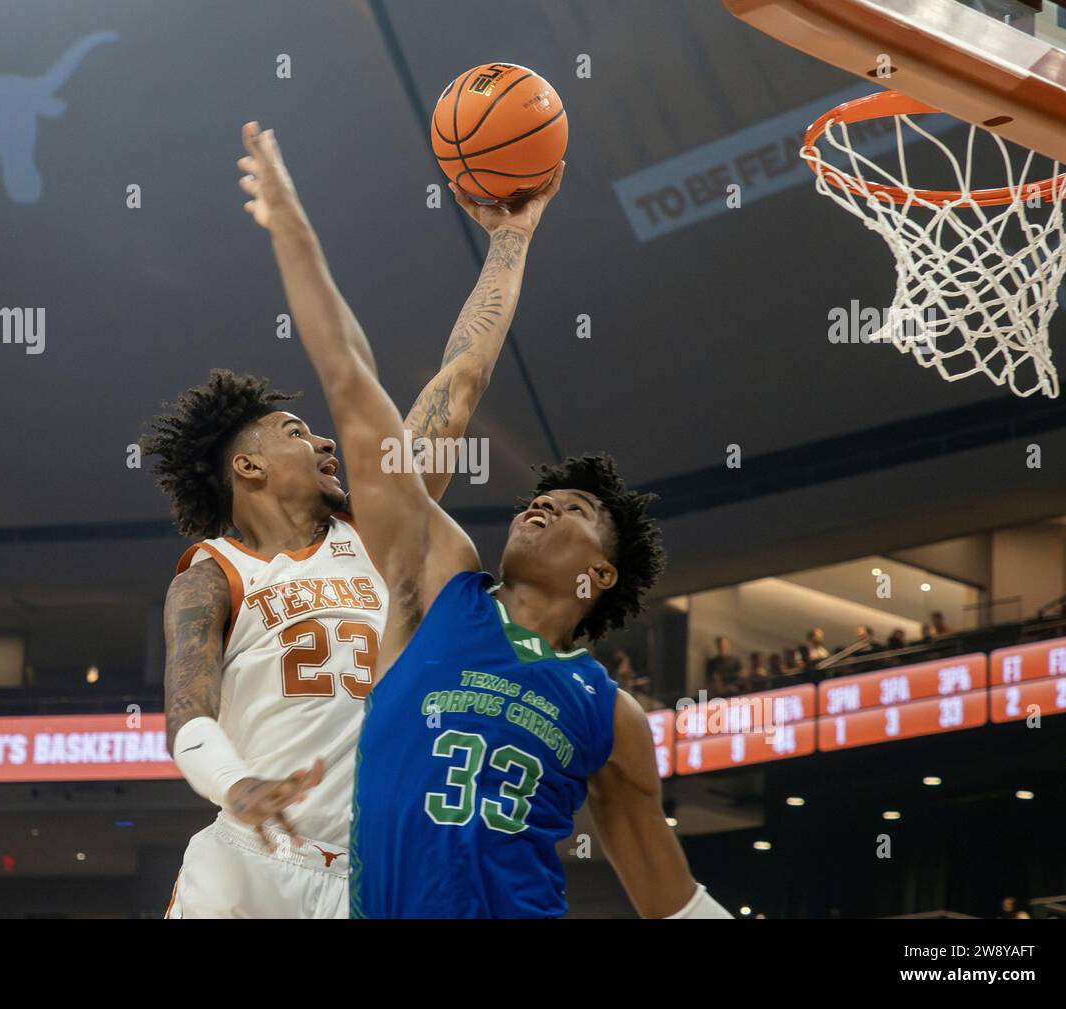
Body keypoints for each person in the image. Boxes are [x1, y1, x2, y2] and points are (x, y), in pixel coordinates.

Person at [238, 121, 730, 919]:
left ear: (598, 574)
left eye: (571, 509)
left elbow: (668, 895)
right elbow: (381, 380)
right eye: (541, 498)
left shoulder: (606, 711)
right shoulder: (436, 584)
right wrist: (301, 240)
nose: (540, 503)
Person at [147, 125, 565, 919]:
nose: (327, 438)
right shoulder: (215, 572)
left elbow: (463, 374)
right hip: (249, 858)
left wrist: (511, 238)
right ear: (248, 467)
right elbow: (186, 715)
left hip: (368, 881)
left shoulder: (385, 528)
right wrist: (238, 785)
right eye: (296, 433)